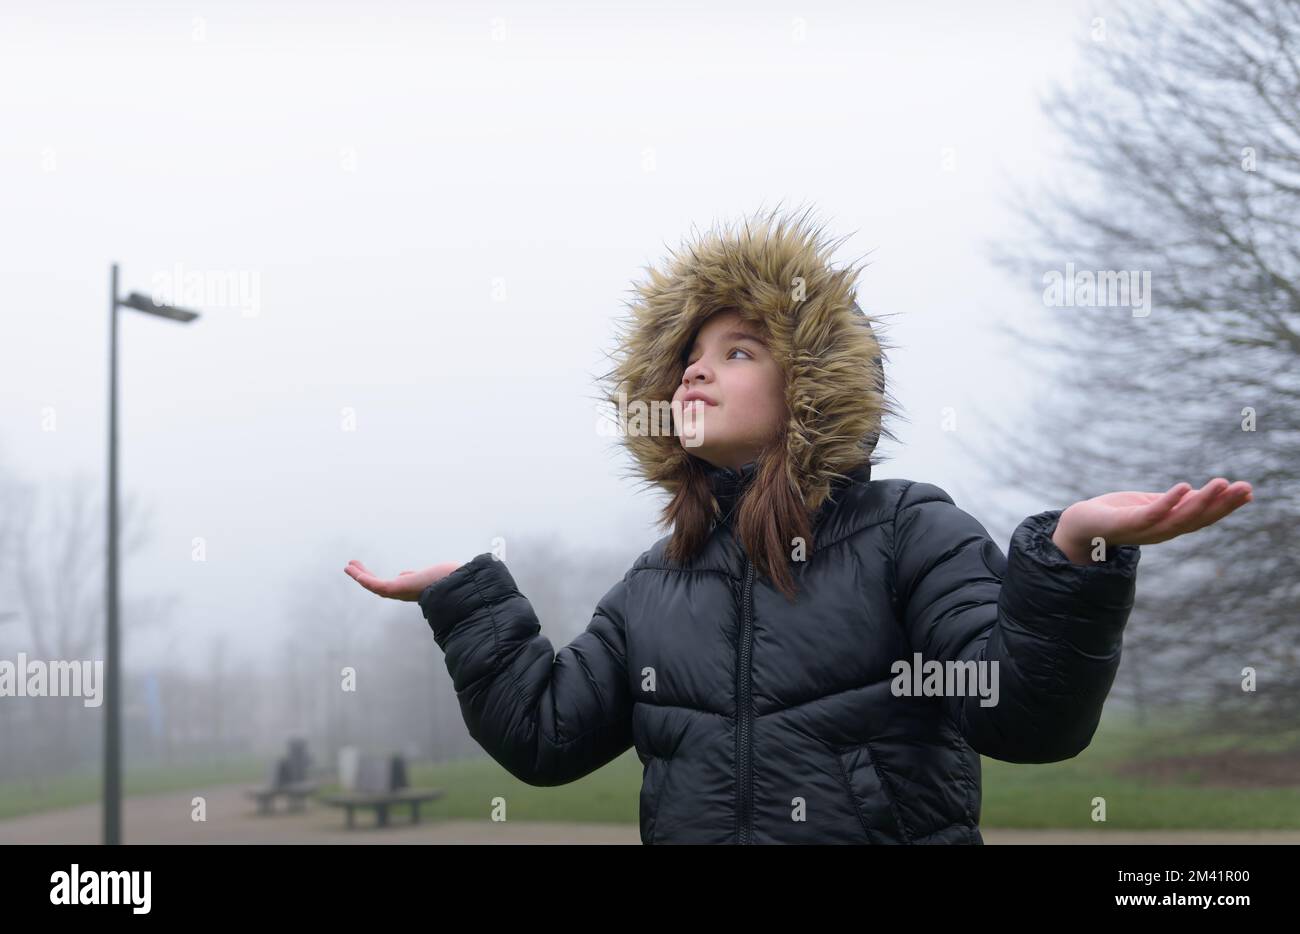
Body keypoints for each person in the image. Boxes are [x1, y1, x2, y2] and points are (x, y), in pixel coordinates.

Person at [344, 206, 1252, 844]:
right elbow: (545, 739)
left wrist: (1072, 554)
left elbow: (1027, 718)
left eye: (737, 351)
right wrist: (467, 603)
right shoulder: (653, 582)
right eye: (688, 358)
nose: (695, 375)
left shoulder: (910, 533)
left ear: (812, 386)